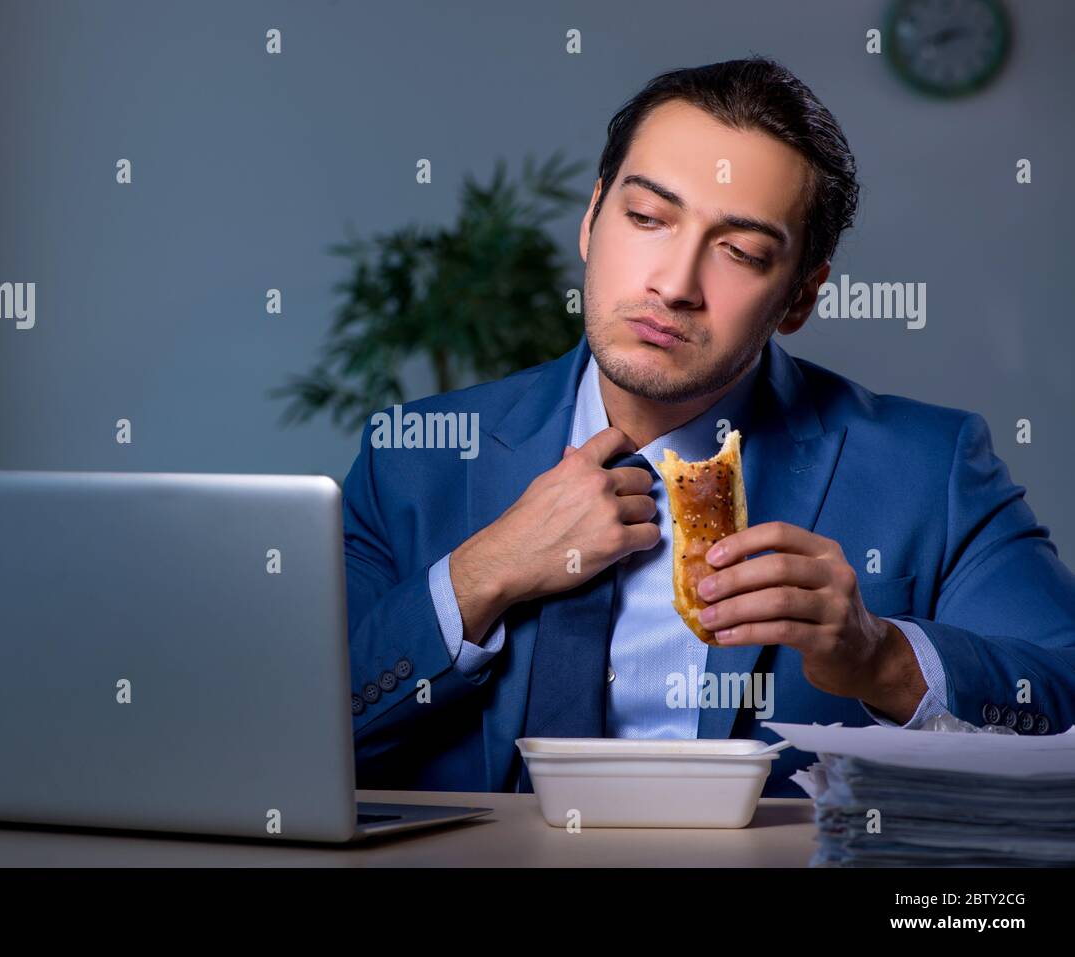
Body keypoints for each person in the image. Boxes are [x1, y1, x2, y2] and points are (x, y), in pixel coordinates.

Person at [341, 57, 1075, 797]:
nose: (674, 285)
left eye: (742, 252)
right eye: (647, 218)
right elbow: (293, 730)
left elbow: (1063, 695)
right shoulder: (409, 458)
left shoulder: (931, 466)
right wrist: (478, 576)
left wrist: (881, 658)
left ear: (798, 297)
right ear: (592, 220)